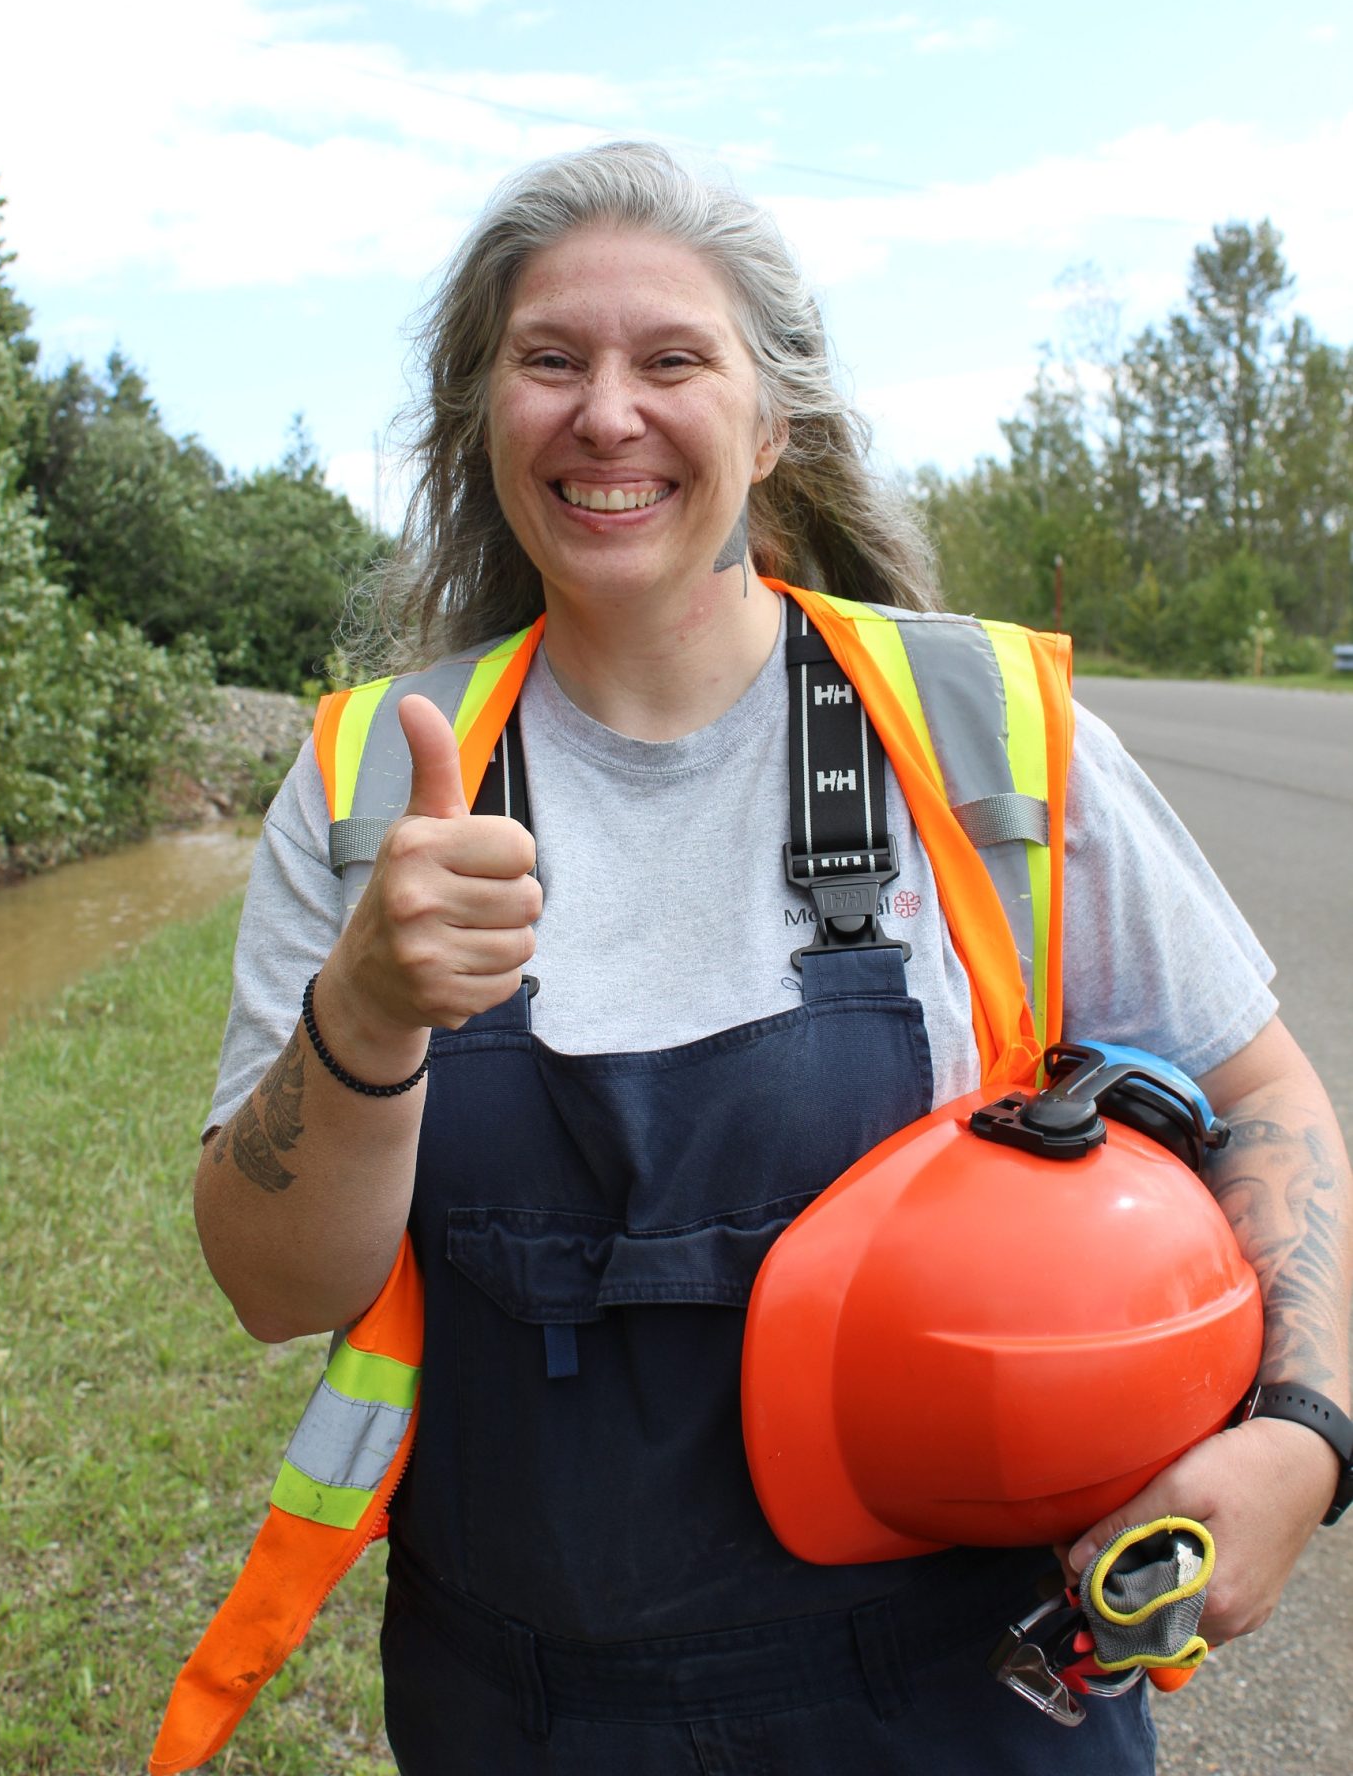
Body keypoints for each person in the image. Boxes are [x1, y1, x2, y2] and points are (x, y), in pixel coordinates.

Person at [191, 142, 1351, 1775]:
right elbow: (269, 1284)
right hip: (519, 1714)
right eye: (549, 360)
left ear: (771, 420)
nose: (608, 413)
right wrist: (369, 1013)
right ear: (484, 415)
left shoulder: (981, 741)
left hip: (973, 1695)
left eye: (672, 359)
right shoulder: (369, 779)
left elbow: (1260, 1088)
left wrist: (1303, 1440)